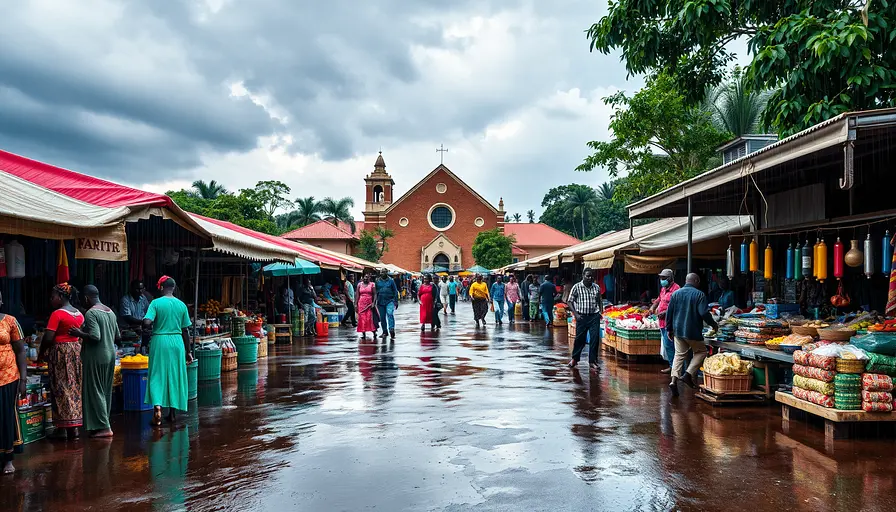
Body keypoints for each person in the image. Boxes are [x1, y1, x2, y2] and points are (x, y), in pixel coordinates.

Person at [68, 285, 119, 438]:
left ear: (86, 298)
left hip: (96, 356)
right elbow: (118, 335)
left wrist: (79, 333)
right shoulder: (110, 311)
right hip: (110, 355)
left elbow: (95, 336)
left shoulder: (91, 313)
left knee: (95, 391)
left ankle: (104, 427)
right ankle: (102, 424)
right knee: (105, 391)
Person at [143, 276, 193, 426]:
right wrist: (188, 351)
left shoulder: (156, 303)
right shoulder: (182, 305)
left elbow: (147, 322)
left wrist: (146, 324)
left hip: (160, 341)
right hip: (177, 343)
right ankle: (172, 414)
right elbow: (185, 331)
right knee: (175, 376)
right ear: (174, 287)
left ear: (160, 287)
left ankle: (157, 407)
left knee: (157, 375)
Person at [39, 283, 84, 440]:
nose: (51, 299)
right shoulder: (79, 314)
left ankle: (69, 429)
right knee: (74, 388)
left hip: (61, 353)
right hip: (76, 351)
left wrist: (41, 352)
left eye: (53, 296)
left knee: (61, 388)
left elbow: (48, 337)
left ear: (61, 297)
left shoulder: (57, 314)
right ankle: (71, 426)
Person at [665, 273, 719, 396]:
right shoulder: (699, 294)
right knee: (701, 352)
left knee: (679, 355)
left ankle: (673, 381)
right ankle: (688, 374)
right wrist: (713, 325)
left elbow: (669, 313)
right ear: (696, 281)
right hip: (693, 331)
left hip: (678, 331)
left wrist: (669, 329)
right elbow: (704, 313)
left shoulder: (676, 294)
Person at [0, 291, 26, 473]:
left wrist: (23, 379)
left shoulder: (10, 321)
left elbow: (21, 351)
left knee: (6, 416)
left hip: (8, 377)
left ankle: (8, 459)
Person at [566, 269, 604, 371]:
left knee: (594, 339)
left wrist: (600, 312)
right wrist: (576, 314)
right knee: (580, 339)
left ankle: (592, 361)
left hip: (594, 316)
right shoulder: (577, 287)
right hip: (581, 317)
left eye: (591, 276)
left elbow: (600, 300)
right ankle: (575, 359)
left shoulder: (596, 287)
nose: (590, 278)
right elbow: (569, 301)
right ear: (583, 275)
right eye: (587, 276)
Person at [650, 269, 682, 374]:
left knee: (671, 345)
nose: (661, 280)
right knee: (668, 346)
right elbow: (659, 299)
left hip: (671, 323)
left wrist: (665, 312)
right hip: (662, 322)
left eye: (663, 278)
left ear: (670, 279)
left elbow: (678, 306)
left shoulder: (676, 290)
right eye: (661, 278)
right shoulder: (664, 289)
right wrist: (653, 307)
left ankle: (675, 368)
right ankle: (671, 365)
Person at [376, 270, 400, 339]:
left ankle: (391, 329)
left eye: (383, 272)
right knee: (382, 317)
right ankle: (384, 331)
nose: (382, 273)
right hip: (380, 301)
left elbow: (395, 291)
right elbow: (375, 291)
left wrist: (396, 301)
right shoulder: (377, 281)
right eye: (381, 272)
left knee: (390, 314)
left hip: (390, 301)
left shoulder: (391, 281)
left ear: (386, 273)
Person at [356, 274, 377, 339]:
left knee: (369, 318)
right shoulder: (359, 285)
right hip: (361, 304)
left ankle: (374, 332)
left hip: (369, 304)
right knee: (362, 319)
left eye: (367, 277)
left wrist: (373, 303)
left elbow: (375, 294)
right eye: (365, 277)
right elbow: (357, 295)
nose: (365, 279)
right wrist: (355, 304)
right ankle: (363, 333)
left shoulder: (372, 284)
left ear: (369, 278)